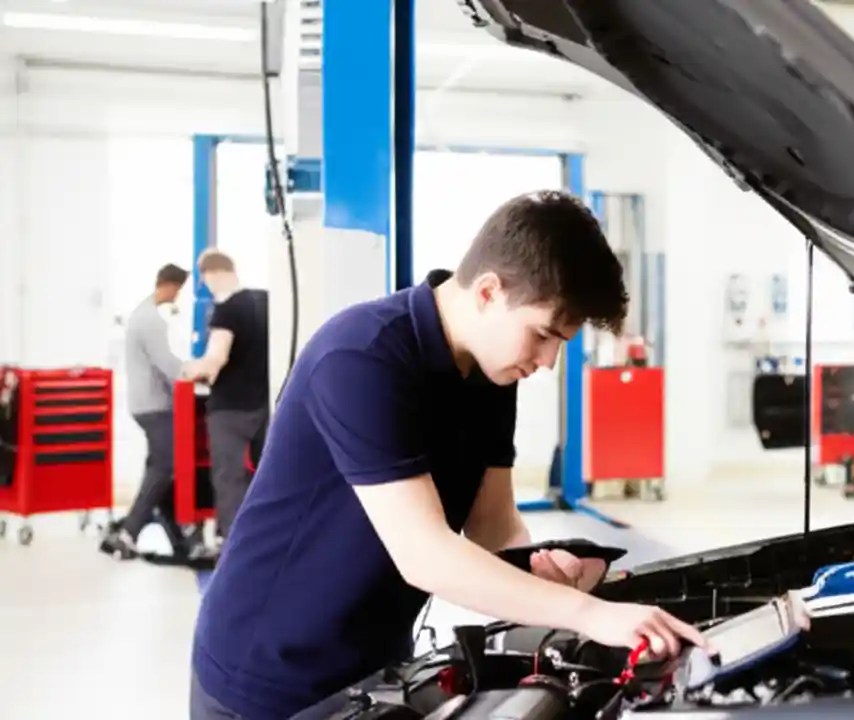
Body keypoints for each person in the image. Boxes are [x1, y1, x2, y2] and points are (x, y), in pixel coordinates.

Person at [190, 191, 708, 719]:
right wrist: (587, 614)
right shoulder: (362, 356)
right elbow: (426, 556)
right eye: (543, 335)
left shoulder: (490, 376)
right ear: (488, 292)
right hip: (268, 675)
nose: (549, 361)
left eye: (562, 343)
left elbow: (495, 528)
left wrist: (540, 572)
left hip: (375, 667)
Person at [100, 263, 190, 558]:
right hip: (154, 405)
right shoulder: (151, 319)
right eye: (178, 289)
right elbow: (164, 361)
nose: (178, 296)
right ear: (168, 284)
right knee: (165, 465)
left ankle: (178, 535)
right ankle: (129, 532)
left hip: (145, 403)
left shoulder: (143, 314)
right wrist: (193, 372)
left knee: (164, 467)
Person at [185, 249, 270, 546]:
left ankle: (234, 544)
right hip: (263, 405)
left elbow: (215, 359)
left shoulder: (227, 309)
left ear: (212, 274)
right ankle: (262, 538)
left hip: (230, 410)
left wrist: (189, 370)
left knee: (229, 478)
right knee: (263, 475)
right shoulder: (264, 301)